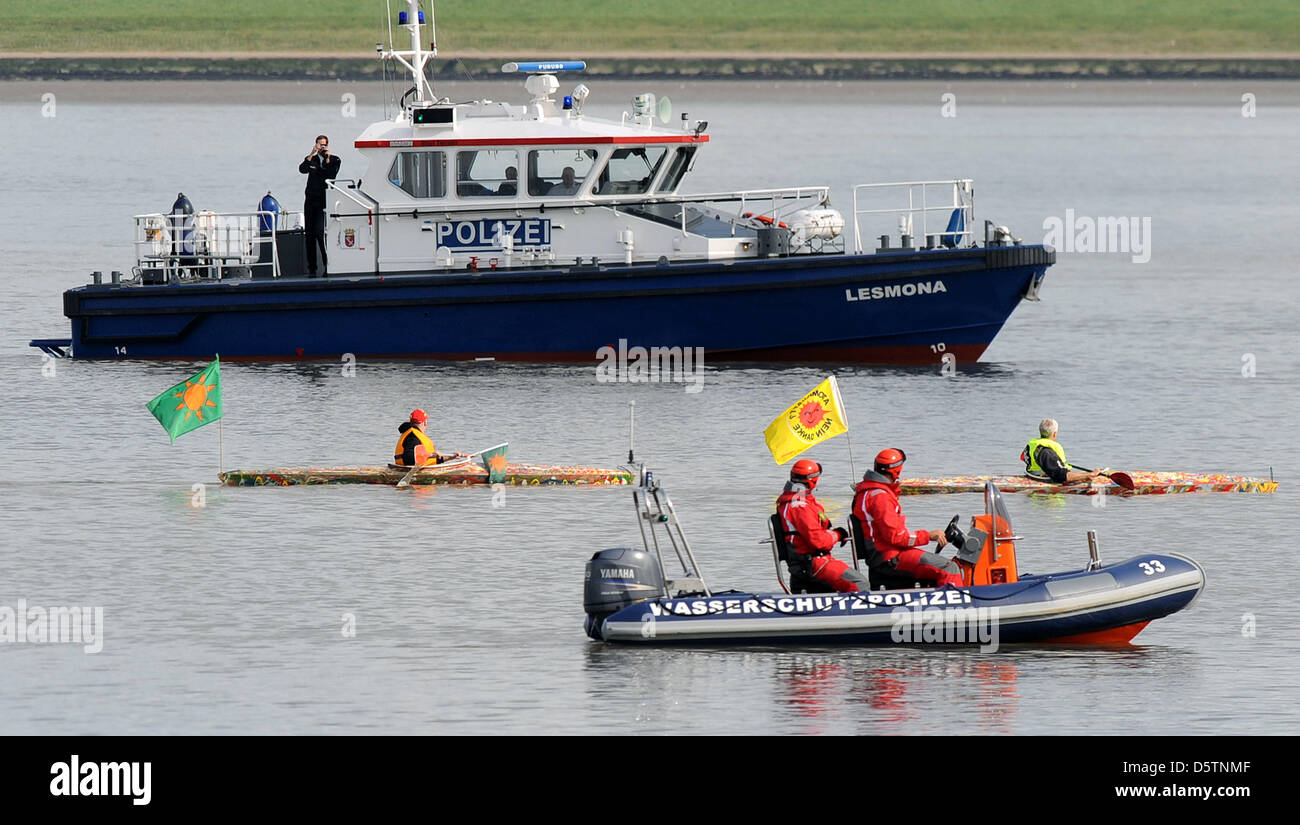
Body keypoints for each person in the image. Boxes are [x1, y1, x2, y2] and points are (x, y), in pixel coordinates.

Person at [852, 448, 963, 587]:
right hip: (890, 557)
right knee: (950, 568)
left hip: (880, 554)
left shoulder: (865, 493)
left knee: (933, 561)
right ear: (896, 471)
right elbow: (896, 536)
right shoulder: (880, 497)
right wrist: (929, 536)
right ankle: (955, 606)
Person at [775, 459, 870, 593]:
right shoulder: (799, 506)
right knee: (859, 583)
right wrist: (838, 534)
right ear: (812, 481)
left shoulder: (795, 502)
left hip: (806, 563)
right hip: (814, 564)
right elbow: (818, 541)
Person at [299, 134, 341, 277]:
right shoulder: (312, 160)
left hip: (324, 201)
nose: (321, 147)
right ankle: (312, 269)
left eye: (324, 145)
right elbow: (302, 169)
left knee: (320, 232)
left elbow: (331, 174)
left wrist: (327, 158)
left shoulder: (334, 160)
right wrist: (311, 153)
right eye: (319, 145)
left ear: (327, 145)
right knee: (309, 235)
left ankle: (327, 265)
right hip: (310, 200)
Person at [1021, 418, 1104, 483]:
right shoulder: (1047, 452)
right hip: (1045, 479)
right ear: (1054, 434)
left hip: (1033, 474)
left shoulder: (1035, 445)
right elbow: (1061, 476)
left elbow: (1024, 458)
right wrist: (1090, 475)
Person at [393, 409, 463, 467]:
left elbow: (431, 460)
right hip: (409, 471)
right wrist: (431, 455)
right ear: (425, 423)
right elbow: (409, 458)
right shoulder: (413, 437)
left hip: (421, 469)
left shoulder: (414, 434)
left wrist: (452, 457)